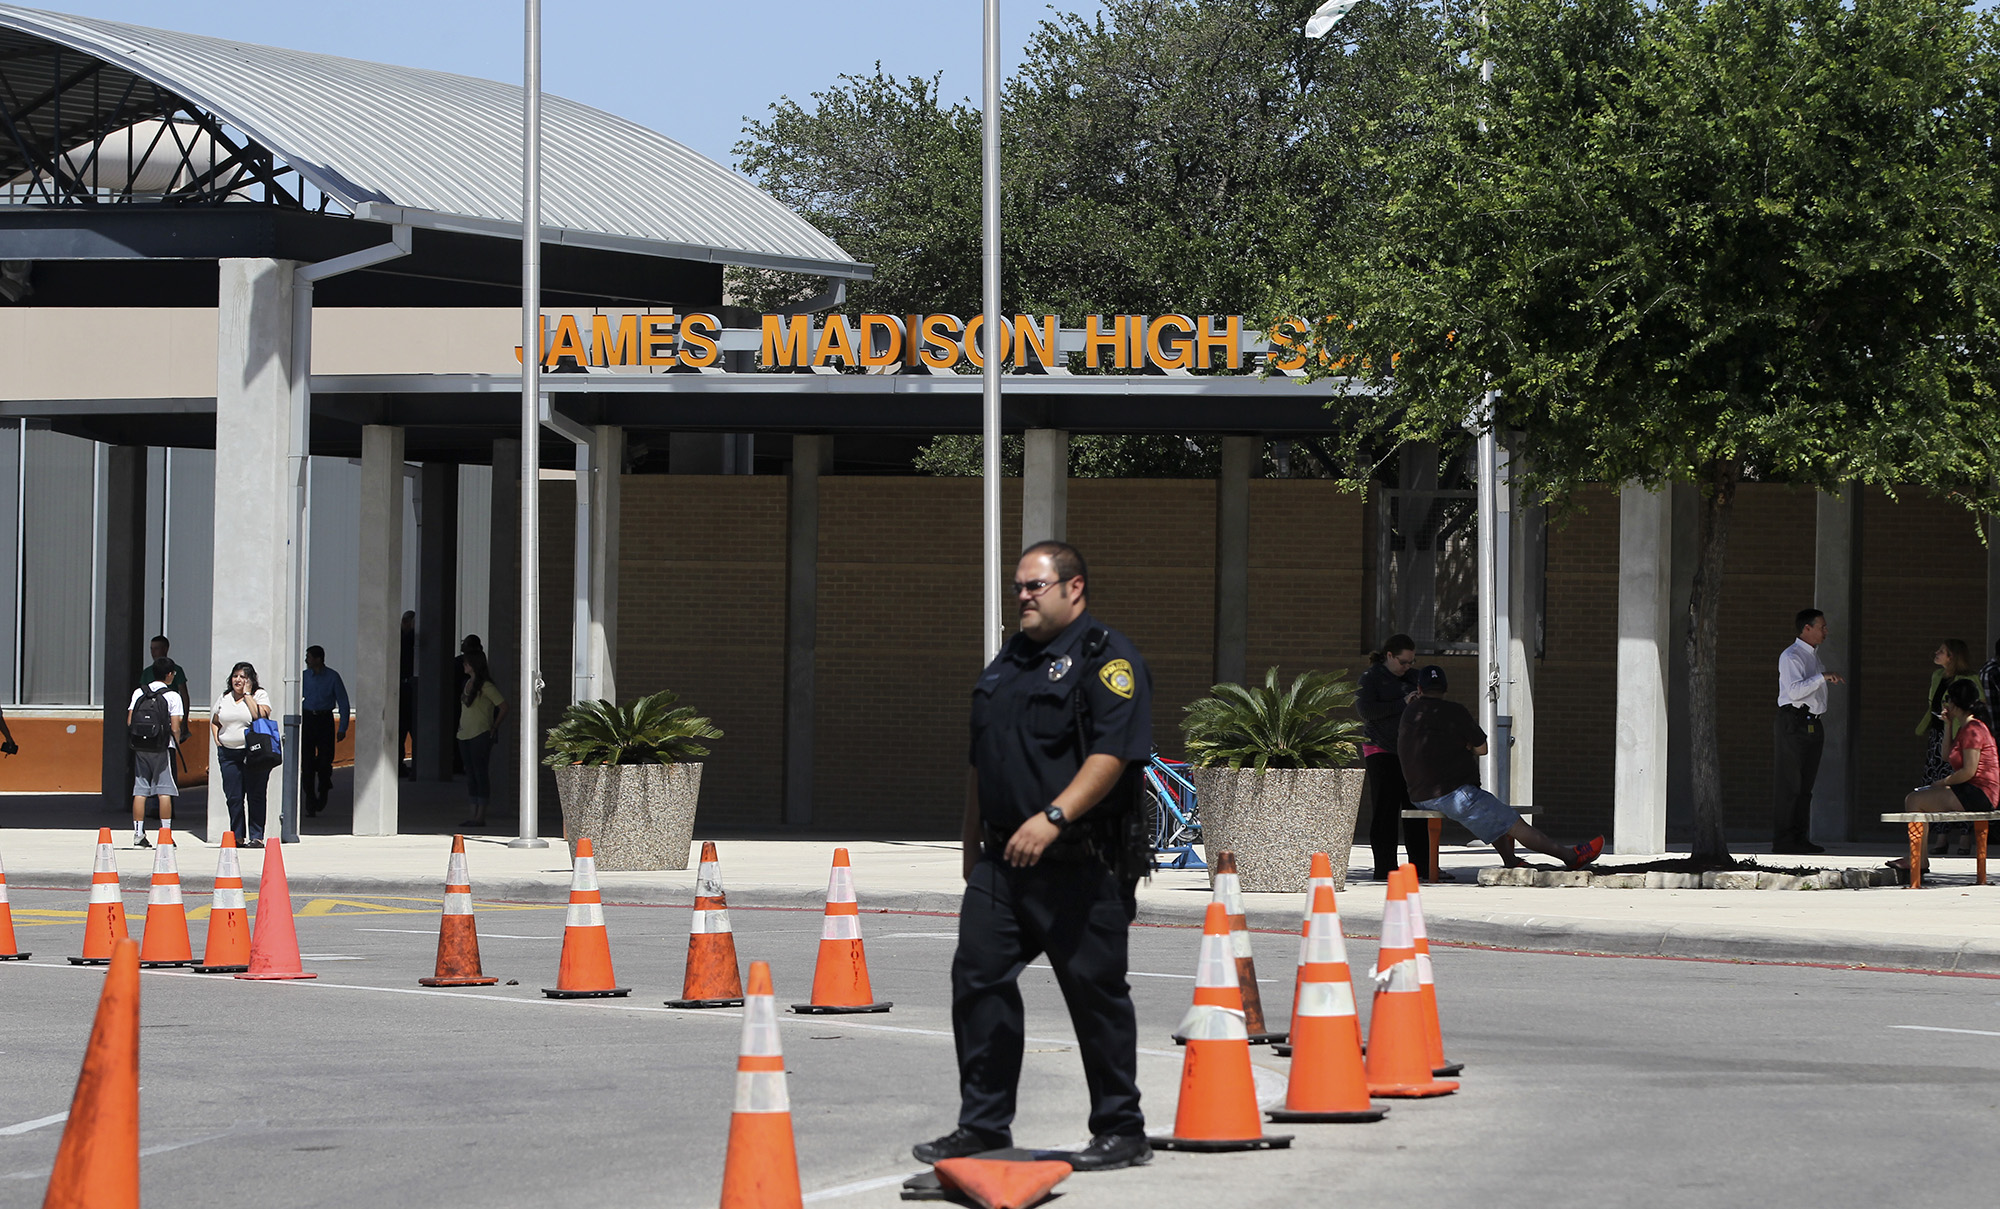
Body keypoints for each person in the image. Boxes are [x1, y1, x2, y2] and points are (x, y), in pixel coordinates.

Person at [914, 540, 1153, 1173]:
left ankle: (1121, 1128)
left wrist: (1053, 819)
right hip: (1001, 866)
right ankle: (983, 1125)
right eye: (1018, 586)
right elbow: (982, 759)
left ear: (1074, 588)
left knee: (1095, 996)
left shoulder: (1107, 660)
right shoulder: (1010, 660)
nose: (1021, 595)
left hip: (1079, 861)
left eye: (1034, 586)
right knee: (979, 981)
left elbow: (1112, 755)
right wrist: (970, 848)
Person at [1399, 665, 1602, 869]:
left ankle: (1511, 860)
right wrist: (1463, 745)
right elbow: (1482, 749)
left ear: (1419, 688)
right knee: (1514, 823)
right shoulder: (1455, 711)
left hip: (1419, 796)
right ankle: (1570, 856)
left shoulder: (1409, 713)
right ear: (1446, 688)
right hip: (1452, 794)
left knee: (1491, 811)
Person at [1890, 679, 1998, 876]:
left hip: (1979, 793)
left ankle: (1918, 860)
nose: (1945, 703)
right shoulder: (1966, 726)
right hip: (1971, 790)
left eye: (1948, 699)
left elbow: (1969, 771)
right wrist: (1947, 725)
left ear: (1956, 703)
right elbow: (1946, 756)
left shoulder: (1973, 729)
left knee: (1914, 800)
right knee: (1918, 798)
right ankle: (1919, 858)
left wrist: (1943, 782)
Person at [1356, 634, 1435, 880]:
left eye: (1411, 662)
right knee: (1386, 810)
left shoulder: (1414, 677)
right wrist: (1402, 703)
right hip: (1381, 749)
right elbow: (1367, 711)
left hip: (1411, 751)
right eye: (1403, 662)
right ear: (1389, 656)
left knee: (1416, 809)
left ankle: (1421, 866)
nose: (1408, 667)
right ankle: (1385, 867)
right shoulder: (1372, 678)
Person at [1773, 608, 1846, 855]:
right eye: (1821, 627)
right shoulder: (1792, 655)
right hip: (1794, 722)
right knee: (1790, 784)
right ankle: (1784, 839)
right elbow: (1794, 691)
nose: (1825, 631)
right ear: (1807, 628)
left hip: (1812, 722)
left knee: (1805, 786)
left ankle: (1799, 837)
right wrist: (1822, 677)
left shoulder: (1813, 656)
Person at [1917, 638, 1982, 854]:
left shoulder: (1968, 680)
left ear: (1952, 656)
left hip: (1961, 736)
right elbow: (1932, 704)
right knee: (1934, 782)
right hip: (1939, 734)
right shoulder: (1937, 676)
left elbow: (1977, 705)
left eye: (1941, 651)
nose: (1936, 653)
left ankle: (1964, 838)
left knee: (1961, 783)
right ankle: (1941, 837)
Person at [211, 661, 274, 847]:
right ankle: (237, 835)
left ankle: (256, 836)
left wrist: (247, 695)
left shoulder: (259, 695)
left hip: (253, 753)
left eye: (242, 677)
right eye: (235, 676)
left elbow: (259, 716)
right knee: (234, 796)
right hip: (228, 753)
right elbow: (215, 720)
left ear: (251, 680)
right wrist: (218, 740)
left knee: (255, 794)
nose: (237, 680)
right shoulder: (224, 697)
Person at [127, 658, 184, 848]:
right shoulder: (173, 696)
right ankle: (166, 834)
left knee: (140, 790)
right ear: (169, 674)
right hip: (162, 746)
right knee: (164, 791)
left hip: (141, 747)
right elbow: (175, 726)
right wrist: (176, 739)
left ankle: (138, 834)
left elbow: (130, 721)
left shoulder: (139, 692)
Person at [456, 648, 507, 828]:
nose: (464, 665)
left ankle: (480, 815)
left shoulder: (486, 686)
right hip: (464, 734)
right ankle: (473, 813)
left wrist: (494, 727)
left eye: (467, 662)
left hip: (480, 734)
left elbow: (503, 706)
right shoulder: (467, 683)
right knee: (470, 775)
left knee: (480, 773)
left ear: (474, 665)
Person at [300, 645, 351, 818]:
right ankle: (310, 801)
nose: (307, 660)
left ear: (318, 659)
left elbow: (343, 702)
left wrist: (343, 727)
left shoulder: (332, 677)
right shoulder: (304, 677)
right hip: (307, 720)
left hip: (324, 720)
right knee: (306, 764)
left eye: (309, 657)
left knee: (324, 761)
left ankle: (323, 789)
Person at [143, 635, 192, 744]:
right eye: (151, 648)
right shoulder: (147, 672)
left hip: (169, 718)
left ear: (165, 649)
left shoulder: (176, 671)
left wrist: (184, 721)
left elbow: (184, 695)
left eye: (156, 648)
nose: (153, 652)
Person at [399, 610, 417, 777]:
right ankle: (400, 765)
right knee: (405, 727)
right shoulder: (406, 639)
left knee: (405, 728)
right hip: (405, 687)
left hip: (406, 688)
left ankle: (401, 765)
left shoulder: (405, 639)